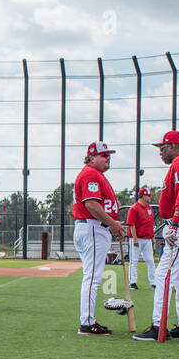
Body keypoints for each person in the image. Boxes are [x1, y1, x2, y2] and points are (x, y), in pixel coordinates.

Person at [133, 130, 179, 341]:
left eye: (162, 148)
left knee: (164, 274)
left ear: (174, 146)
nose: (160, 153)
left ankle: (158, 326)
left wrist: (175, 222)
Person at [72, 142, 125, 335]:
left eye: (109, 155)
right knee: (92, 277)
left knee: (92, 276)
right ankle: (86, 323)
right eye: (103, 155)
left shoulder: (96, 175)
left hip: (93, 228)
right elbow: (92, 205)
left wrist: (113, 225)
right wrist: (113, 224)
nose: (107, 157)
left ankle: (87, 320)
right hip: (92, 228)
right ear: (92, 157)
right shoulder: (90, 174)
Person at [126, 186, 156, 289]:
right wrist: (134, 238)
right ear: (143, 196)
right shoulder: (134, 208)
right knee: (134, 261)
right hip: (137, 238)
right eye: (148, 195)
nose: (150, 197)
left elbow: (150, 224)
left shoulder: (149, 208)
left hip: (147, 239)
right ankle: (133, 282)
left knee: (150, 261)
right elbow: (131, 224)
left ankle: (153, 282)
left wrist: (152, 237)